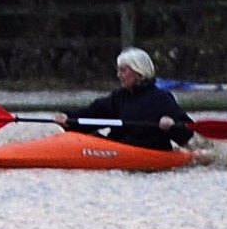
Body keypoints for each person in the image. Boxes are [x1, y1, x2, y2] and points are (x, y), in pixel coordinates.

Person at [66, 47, 195, 152]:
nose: (118, 75)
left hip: (148, 152)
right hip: (117, 149)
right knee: (90, 137)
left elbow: (186, 134)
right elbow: (92, 114)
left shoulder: (161, 99)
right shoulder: (118, 98)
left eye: (123, 71)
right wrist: (68, 118)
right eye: (118, 71)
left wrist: (171, 126)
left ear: (138, 72)